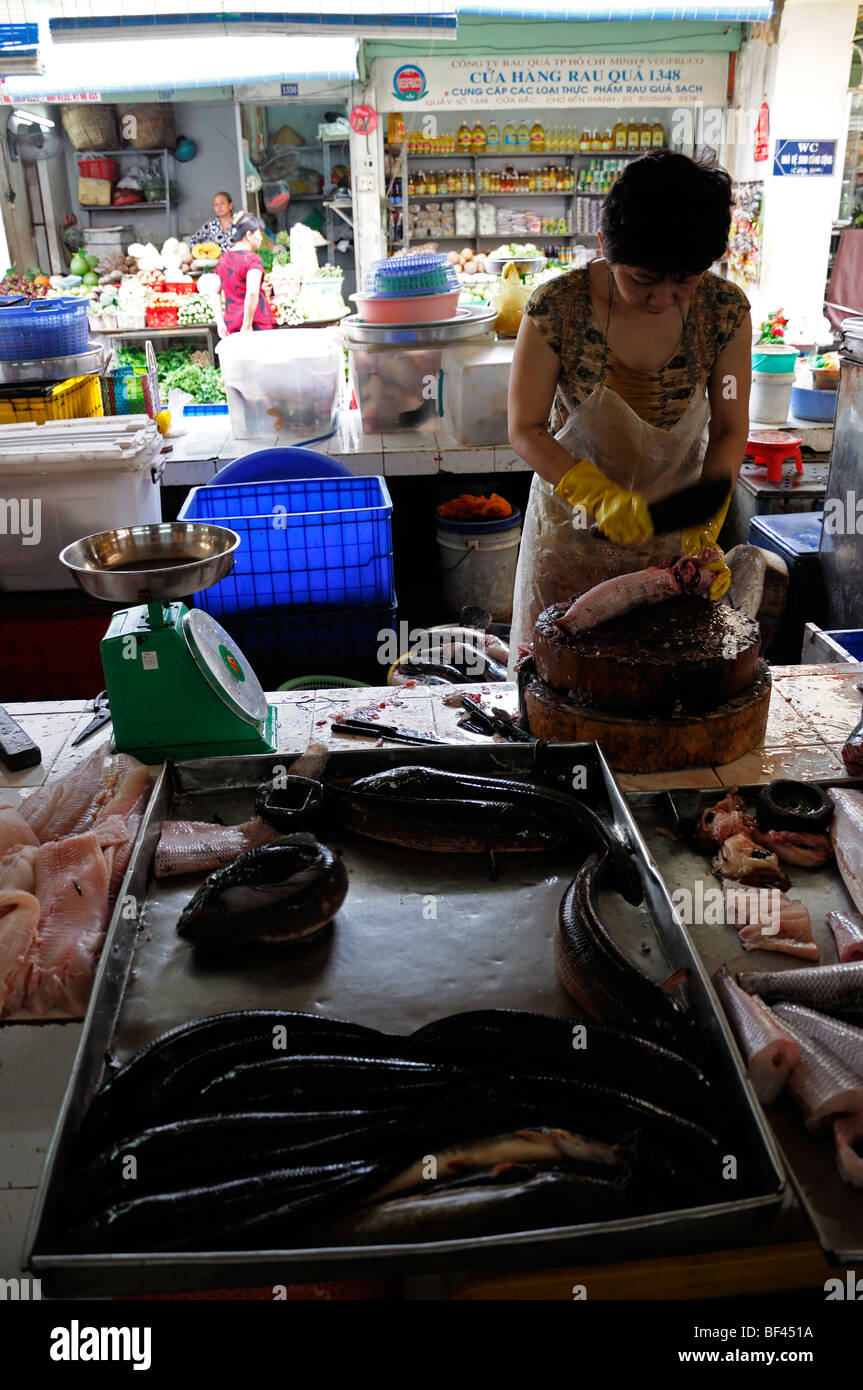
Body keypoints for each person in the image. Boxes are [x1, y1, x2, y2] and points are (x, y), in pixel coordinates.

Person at [507, 150, 752, 666]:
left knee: (658, 685)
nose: (663, 298)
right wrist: (598, 497)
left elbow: (730, 425)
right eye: (643, 280)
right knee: (557, 674)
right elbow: (525, 428)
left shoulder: (724, 312)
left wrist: (704, 523)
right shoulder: (557, 308)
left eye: (684, 282)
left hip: (673, 541)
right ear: (604, 246)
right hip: (573, 533)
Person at [211, 213, 276, 336]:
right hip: (256, 325)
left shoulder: (223, 259)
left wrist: (220, 323)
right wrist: (247, 325)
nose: (261, 238)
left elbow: (214, 292)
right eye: (259, 233)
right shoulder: (252, 259)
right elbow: (252, 292)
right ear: (249, 235)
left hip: (232, 324)